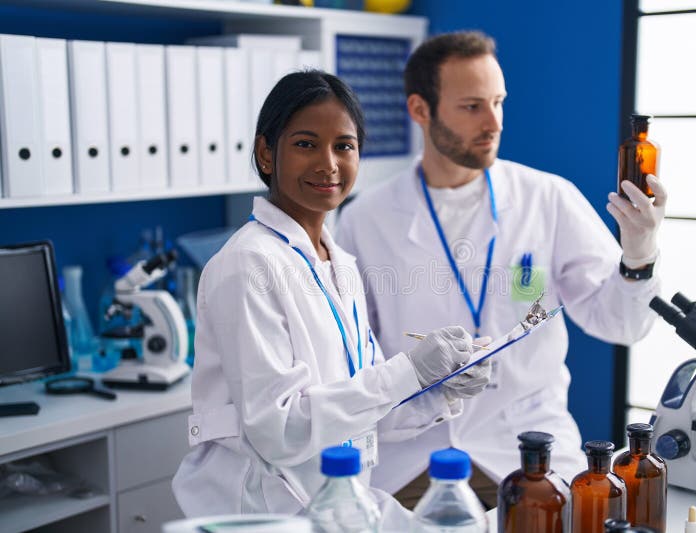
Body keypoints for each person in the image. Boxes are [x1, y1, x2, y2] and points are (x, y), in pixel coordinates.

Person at [335, 31, 667, 508]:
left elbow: (623, 323)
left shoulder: (548, 199)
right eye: (472, 106)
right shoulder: (365, 218)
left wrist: (639, 252)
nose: (493, 122)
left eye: (498, 102)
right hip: (408, 457)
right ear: (420, 109)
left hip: (526, 450)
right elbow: (350, 355)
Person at [171, 70, 491, 520]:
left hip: (333, 501)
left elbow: (365, 407)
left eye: (344, 145)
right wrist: (408, 372)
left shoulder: (338, 262)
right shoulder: (248, 264)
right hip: (262, 511)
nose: (329, 164)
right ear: (266, 153)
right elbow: (278, 430)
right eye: (305, 144)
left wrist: (437, 387)